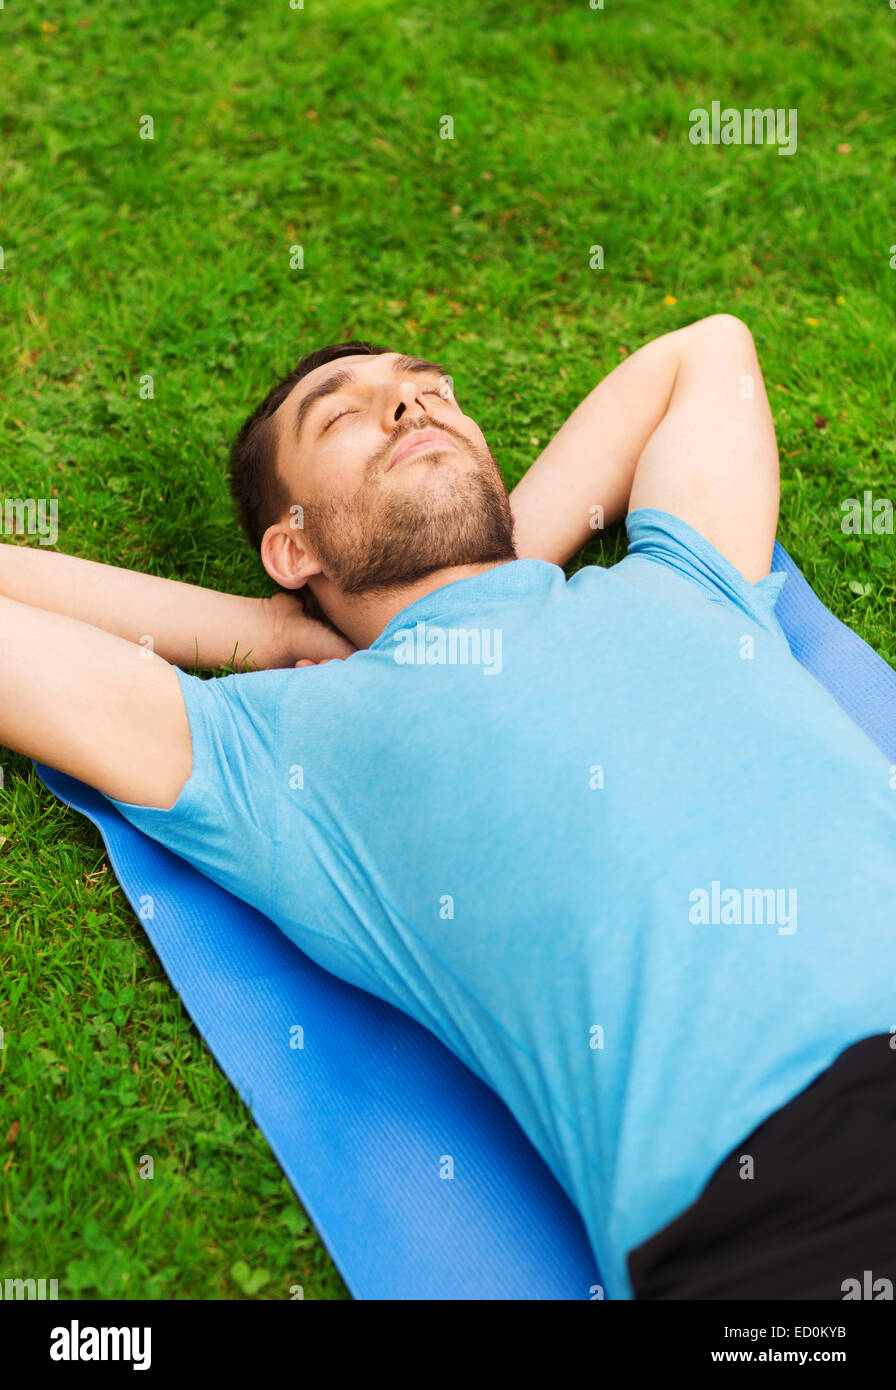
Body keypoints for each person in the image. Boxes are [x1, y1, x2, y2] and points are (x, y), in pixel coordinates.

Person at [3, 315, 895, 1300]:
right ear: (289, 545)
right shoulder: (279, 748)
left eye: (430, 392)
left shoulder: (687, 582)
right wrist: (254, 630)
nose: (410, 403)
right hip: (786, 1202)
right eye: (342, 415)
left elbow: (708, 351)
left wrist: (497, 555)